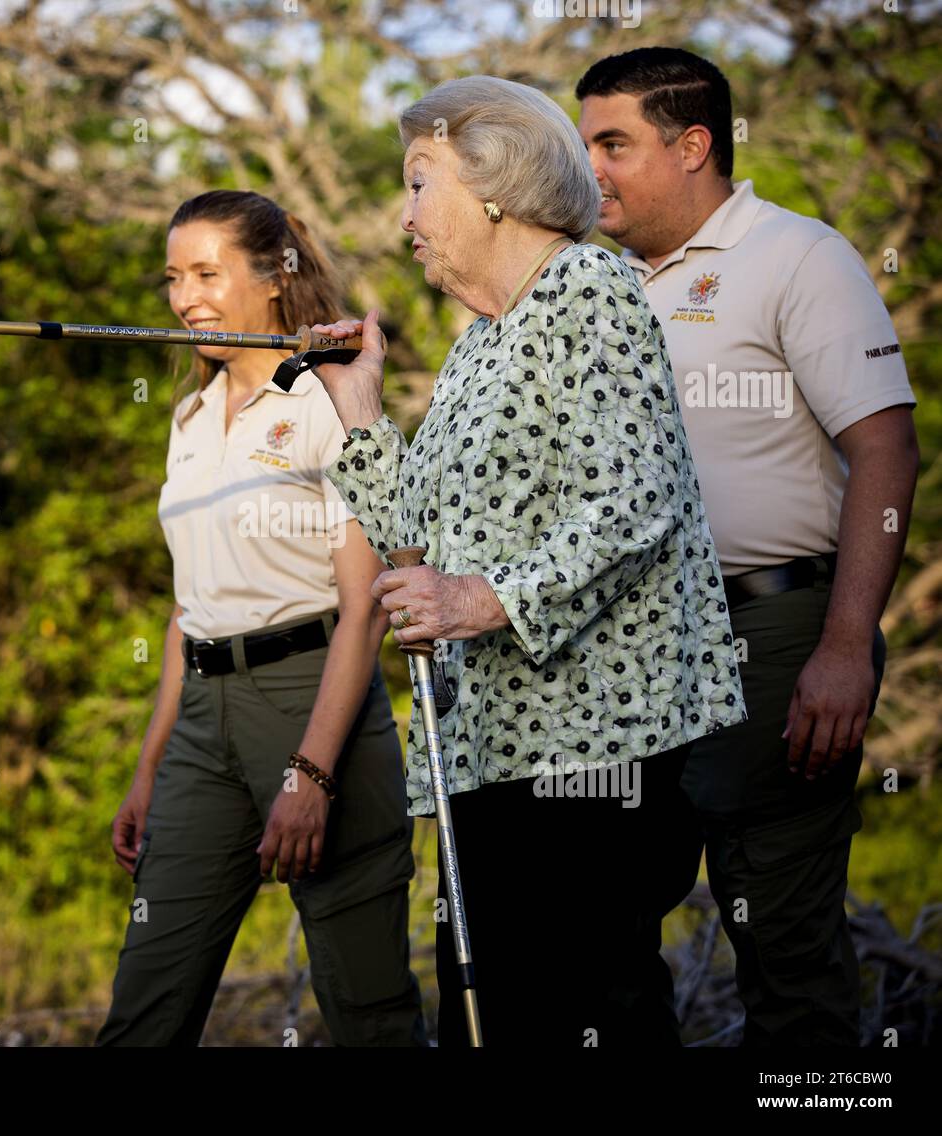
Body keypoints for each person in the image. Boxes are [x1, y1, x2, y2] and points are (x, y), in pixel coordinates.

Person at [311, 76, 746, 1048]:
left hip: (592, 750)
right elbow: (410, 537)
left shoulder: (589, 291)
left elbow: (636, 496)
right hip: (492, 745)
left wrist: (488, 597)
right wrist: (360, 409)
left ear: (495, 187)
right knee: (495, 1014)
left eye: (420, 182)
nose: (404, 212)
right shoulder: (479, 345)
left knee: (591, 1005)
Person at [576, 46, 919, 1046]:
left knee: (783, 944)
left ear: (693, 146)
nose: (588, 165)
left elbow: (886, 452)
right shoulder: (591, 285)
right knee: (600, 935)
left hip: (774, 634)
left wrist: (847, 643)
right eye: (582, 141)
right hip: (627, 650)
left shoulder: (798, 255)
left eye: (613, 142)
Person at [95, 190, 426, 1047]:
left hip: (315, 702)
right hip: (203, 726)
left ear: (274, 280)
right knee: (143, 1013)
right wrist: (149, 768)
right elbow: (185, 610)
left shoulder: (327, 401)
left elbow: (365, 611)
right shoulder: (191, 416)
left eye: (207, 273)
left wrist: (311, 777)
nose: (184, 297)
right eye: (174, 277)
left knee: (370, 1015)